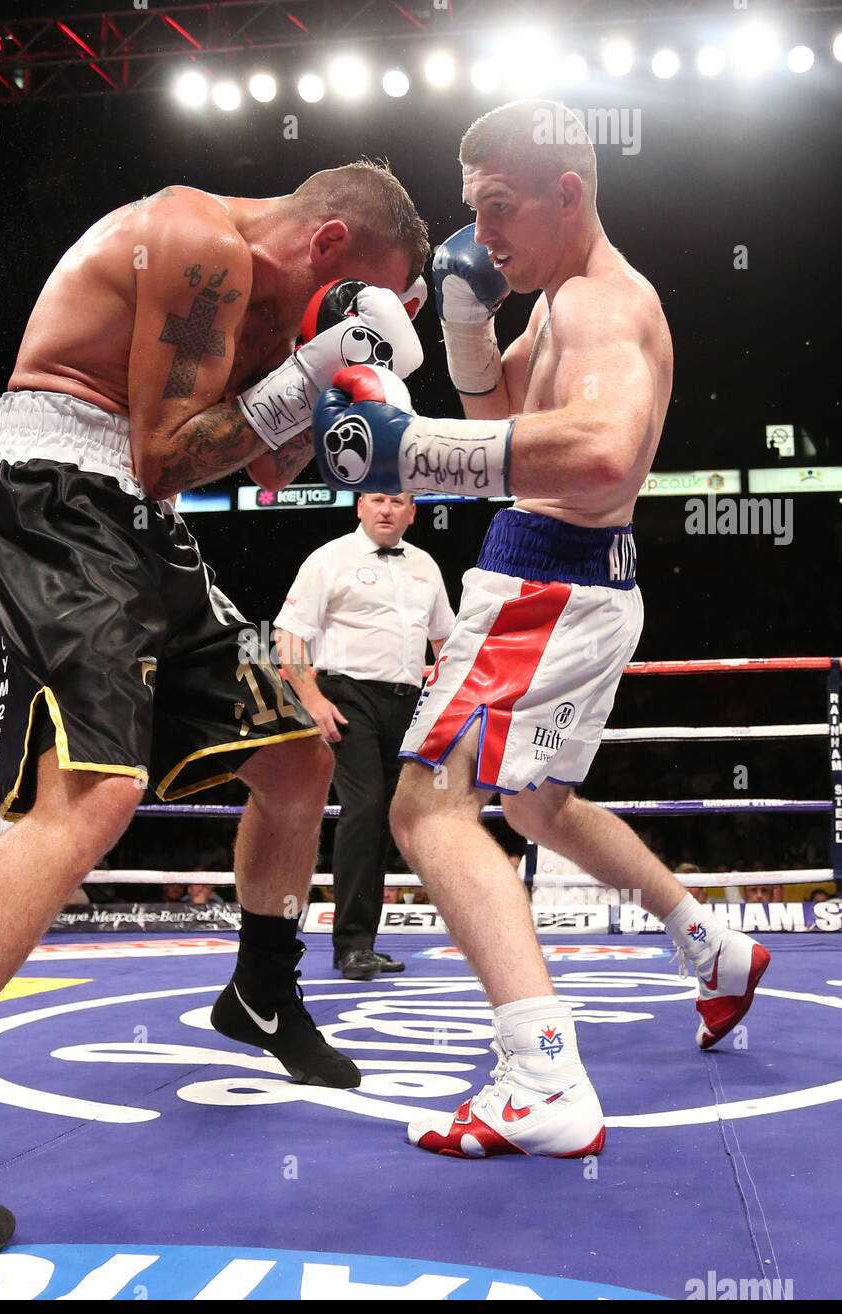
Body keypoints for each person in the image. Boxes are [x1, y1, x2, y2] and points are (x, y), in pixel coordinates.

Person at [0, 162, 431, 1261]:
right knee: (91, 797)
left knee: (293, 759)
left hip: (145, 526)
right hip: (54, 492)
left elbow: (259, 467)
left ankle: (262, 996)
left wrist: (345, 403)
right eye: (362, 295)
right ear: (328, 251)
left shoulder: (279, 313)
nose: (355, 318)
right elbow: (165, 449)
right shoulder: (195, 242)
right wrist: (319, 357)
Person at [312, 99, 770, 1161]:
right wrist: (468, 325)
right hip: (579, 582)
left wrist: (401, 454)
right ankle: (715, 948)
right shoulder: (560, 302)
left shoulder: (605, 306)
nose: (486, 235)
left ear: (570, 193)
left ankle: (542, 1073)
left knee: (428, 807)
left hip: (546, 584)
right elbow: (497, 421)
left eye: (501, 209)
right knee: (538, 804)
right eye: (474, 212)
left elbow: (603, 454)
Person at [274, 492, 453, 979]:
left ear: (413, 512)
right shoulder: (329, 558)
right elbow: (287, 635)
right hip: (347, 697)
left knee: (391, 817)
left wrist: (453, 705)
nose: (386, 510)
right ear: (359, 506)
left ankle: (363, 943)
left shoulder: (425, 565)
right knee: (366, 806)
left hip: (408, 703)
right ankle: (350, 944)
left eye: (397, 502)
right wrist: (311, 699)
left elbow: (445, 642)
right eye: (376, 500)